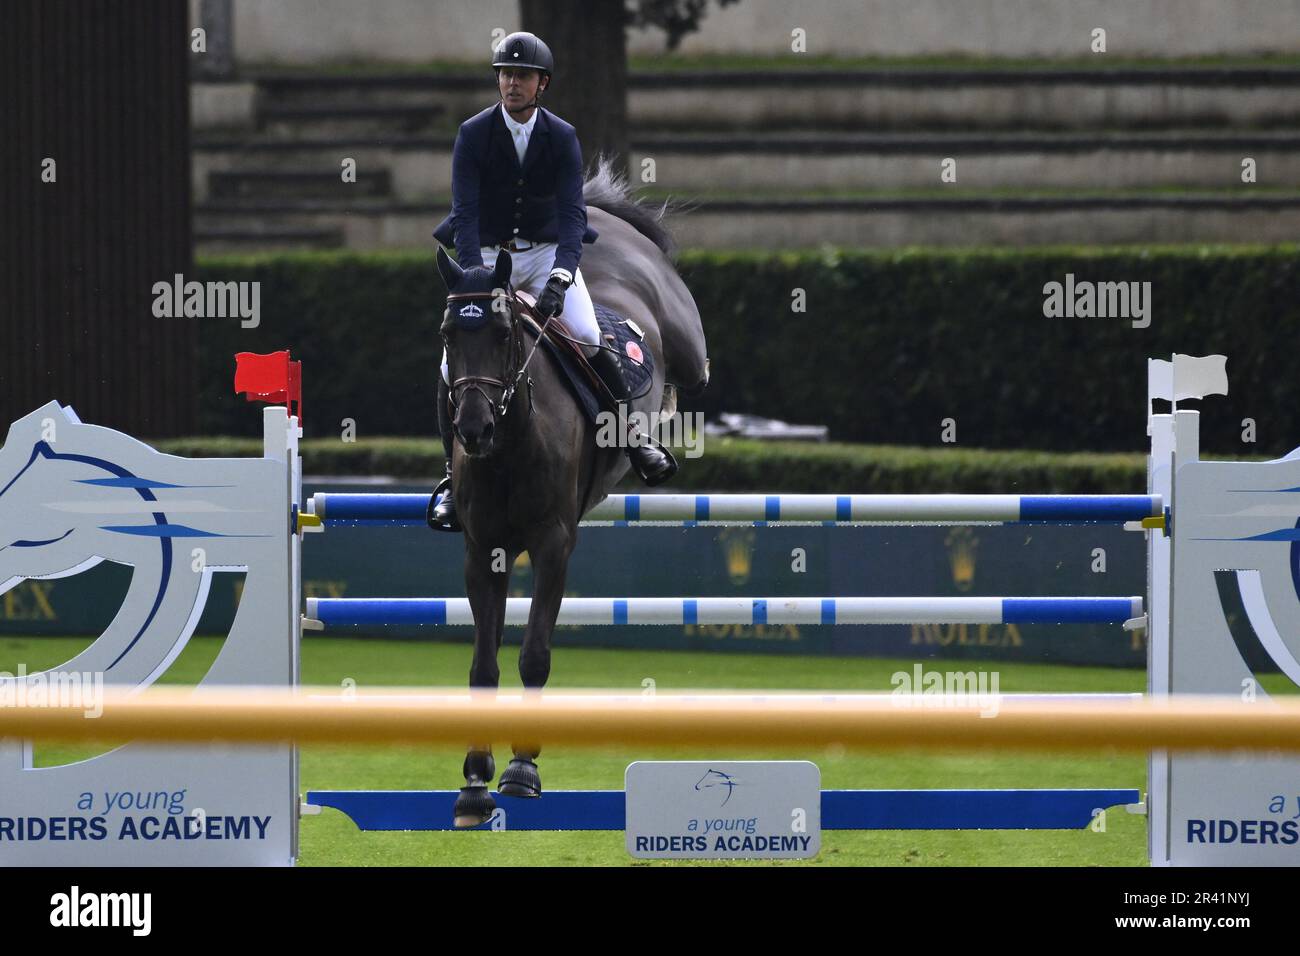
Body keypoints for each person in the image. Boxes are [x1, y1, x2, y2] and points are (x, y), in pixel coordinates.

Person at [430, 31, 672, 530]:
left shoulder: (560, 136)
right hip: (488, 257)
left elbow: (571, 215)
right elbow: (465, 213)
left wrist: (562, 274)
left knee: (587, 335)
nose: (511, 82)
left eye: (521, 76)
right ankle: (450, 481)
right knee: (451, 360)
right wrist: (478, 277)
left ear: (542, 84)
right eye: (504, 73)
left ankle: (634, 439)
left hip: (543, 257)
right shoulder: (473, 134)